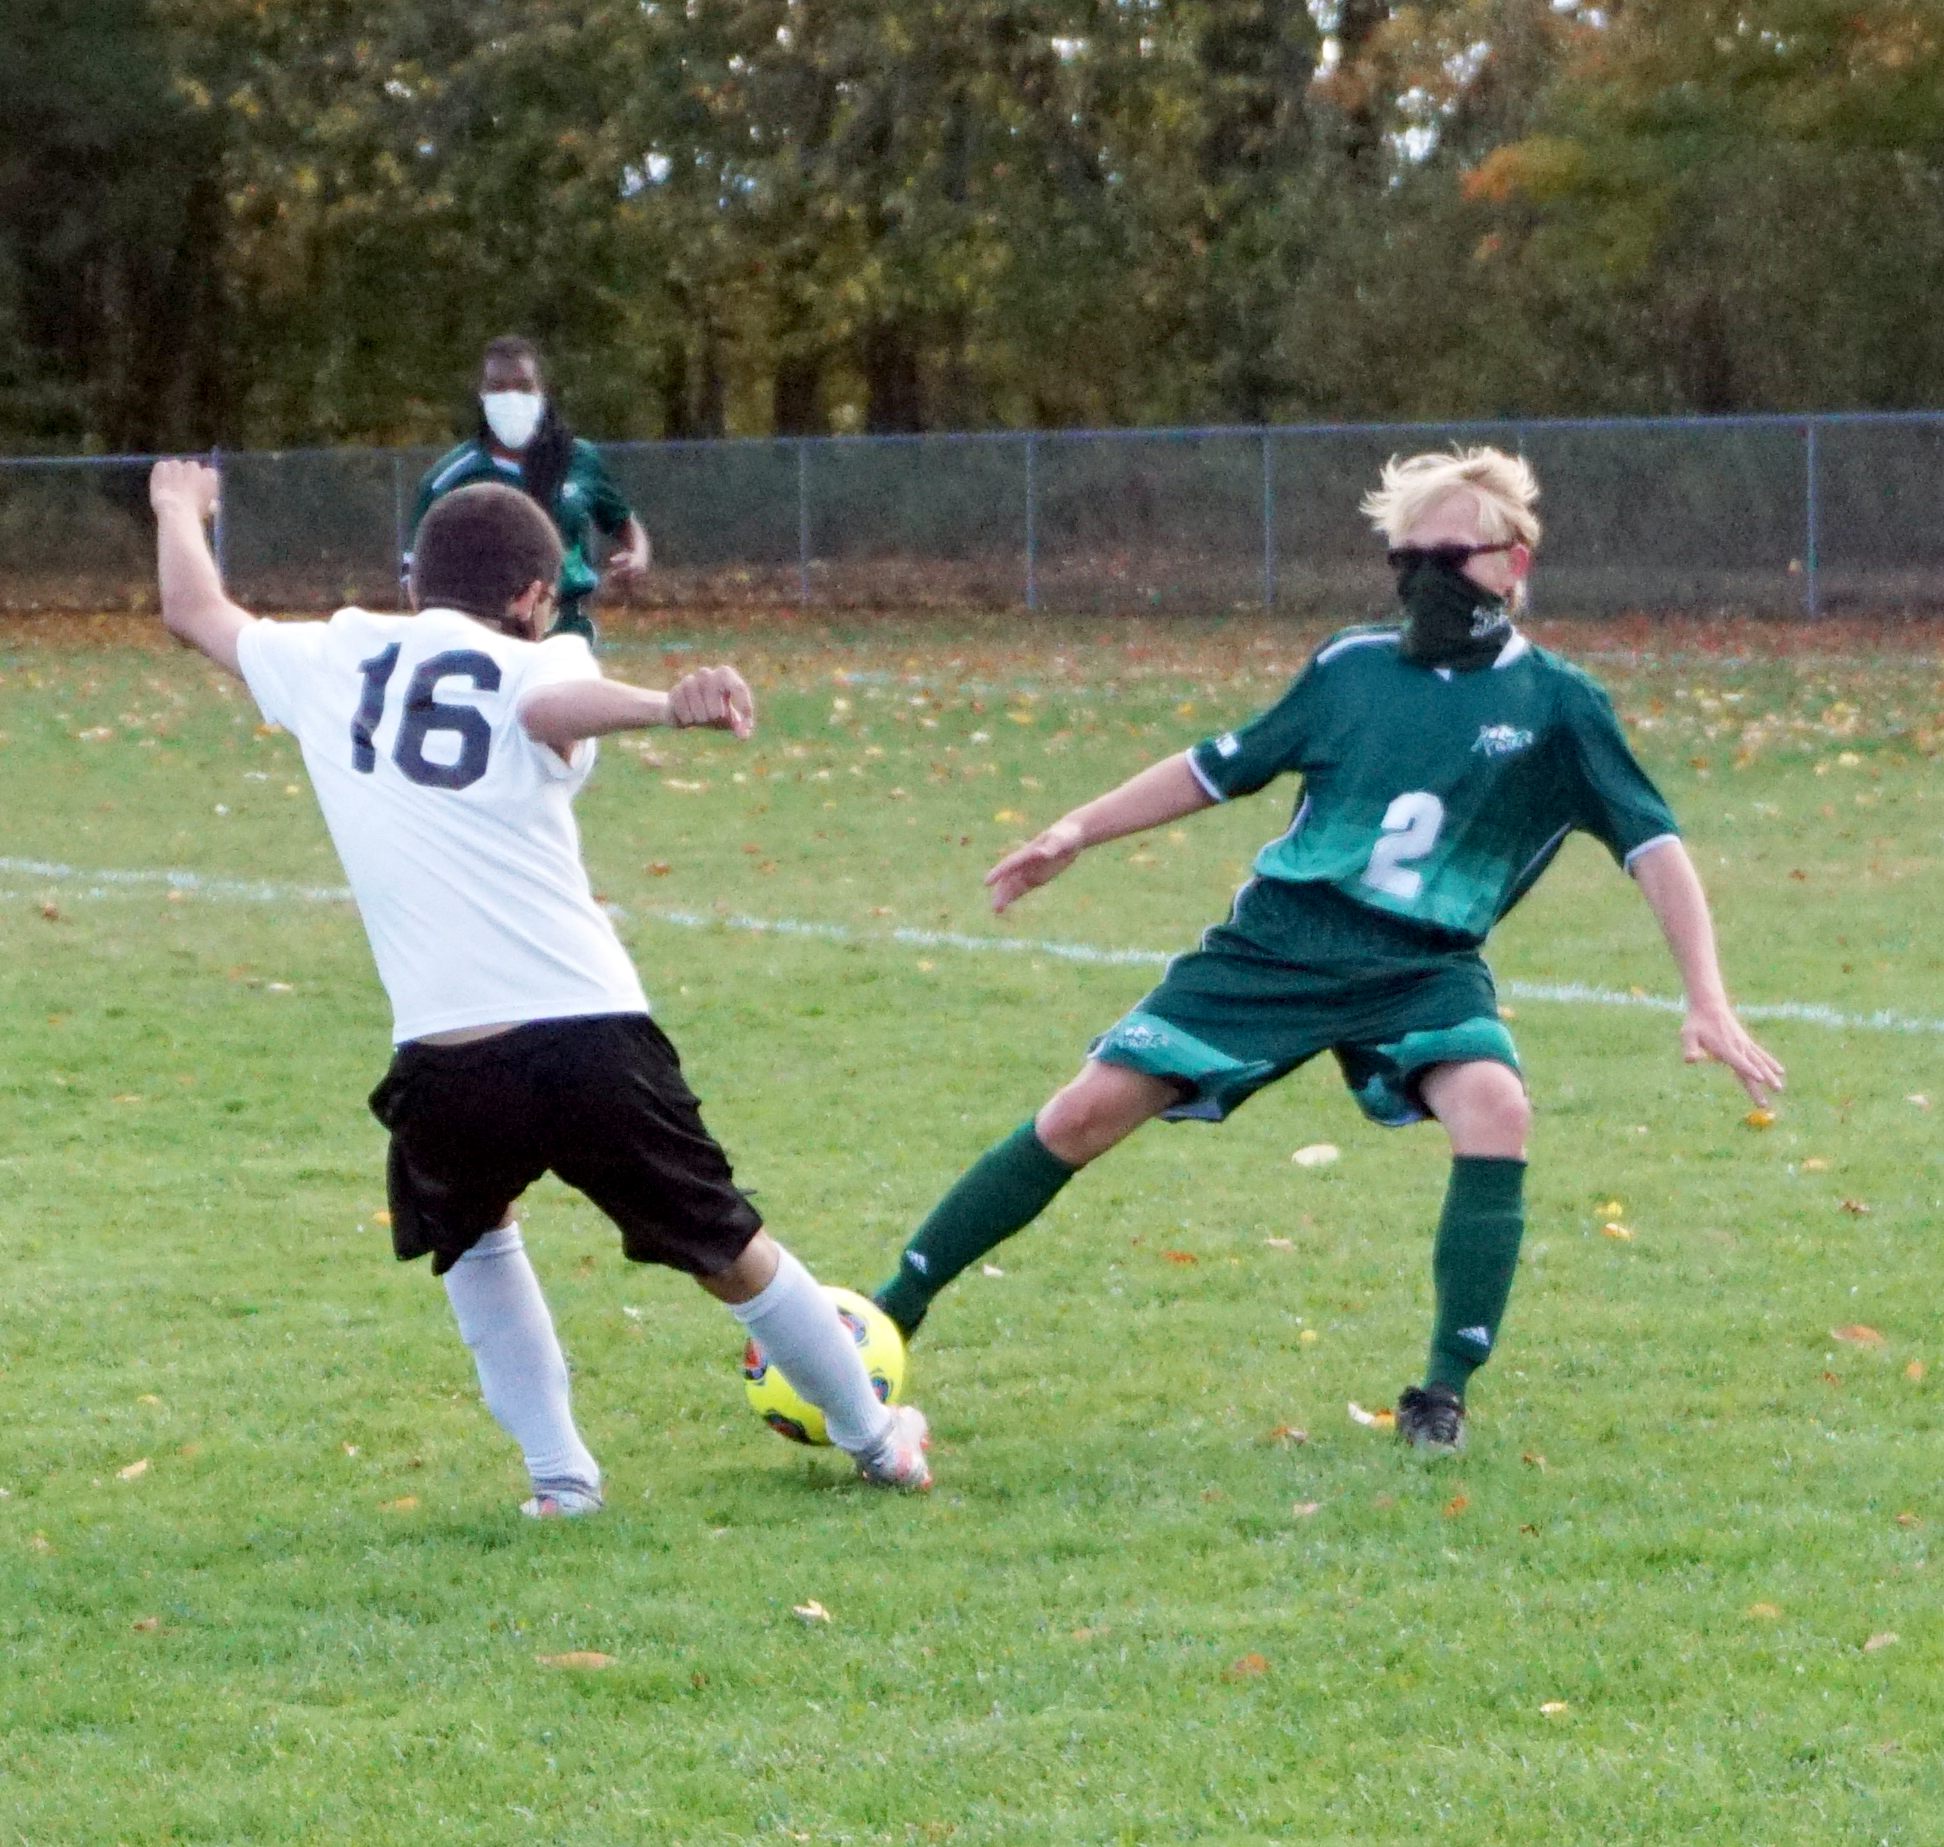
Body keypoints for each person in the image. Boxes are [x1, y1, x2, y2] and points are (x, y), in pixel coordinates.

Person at [873, 446, 1784, 1453]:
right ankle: (884, 1315)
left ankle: (1442, 1390)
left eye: (1450, 555)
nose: (1424, 579)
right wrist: (1077, 828)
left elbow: (1654, 847)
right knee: (1085, 1110)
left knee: (1496, 1103)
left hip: (1423, 965)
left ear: (1514, 562)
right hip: (1282, 942)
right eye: (1407, 558)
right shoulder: (1352, 667)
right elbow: (1217, 765)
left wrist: (1707, 994)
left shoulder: (1560, 705)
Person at [150, 460, 930, 1511]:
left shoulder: (333, 651)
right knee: (729, 1249)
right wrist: (667, 705)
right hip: (586, 1029)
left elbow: (193, 607)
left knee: (474, 1241)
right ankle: (878, 1440)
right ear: (528, 598)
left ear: (420, 575)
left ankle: (561, 1479)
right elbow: (550, 703)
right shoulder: (542, 652)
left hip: (447, 1047)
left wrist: (175, 508)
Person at [405, 336, 650, 645]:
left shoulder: (577, 459)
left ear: (542, 393)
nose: (511, 398)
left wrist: (637, 554)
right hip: (487, 634)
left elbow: (623, 521)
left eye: (523, 386)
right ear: (482, 396)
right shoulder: (449, 479)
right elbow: (413, 573)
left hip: (568, 630)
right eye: (498, 387)